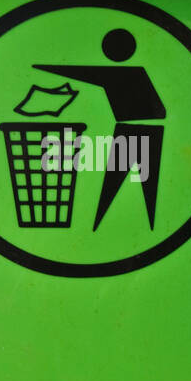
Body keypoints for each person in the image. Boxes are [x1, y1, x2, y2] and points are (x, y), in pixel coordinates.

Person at [33, 28, 165, 230]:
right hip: (139, 129)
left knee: (122, 187)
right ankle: (104, 224)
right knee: (125, 187)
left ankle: (104, 224)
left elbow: (89, 73)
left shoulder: (128, 74)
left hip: (137, 131)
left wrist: (44, 67)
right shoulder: (134, 73)